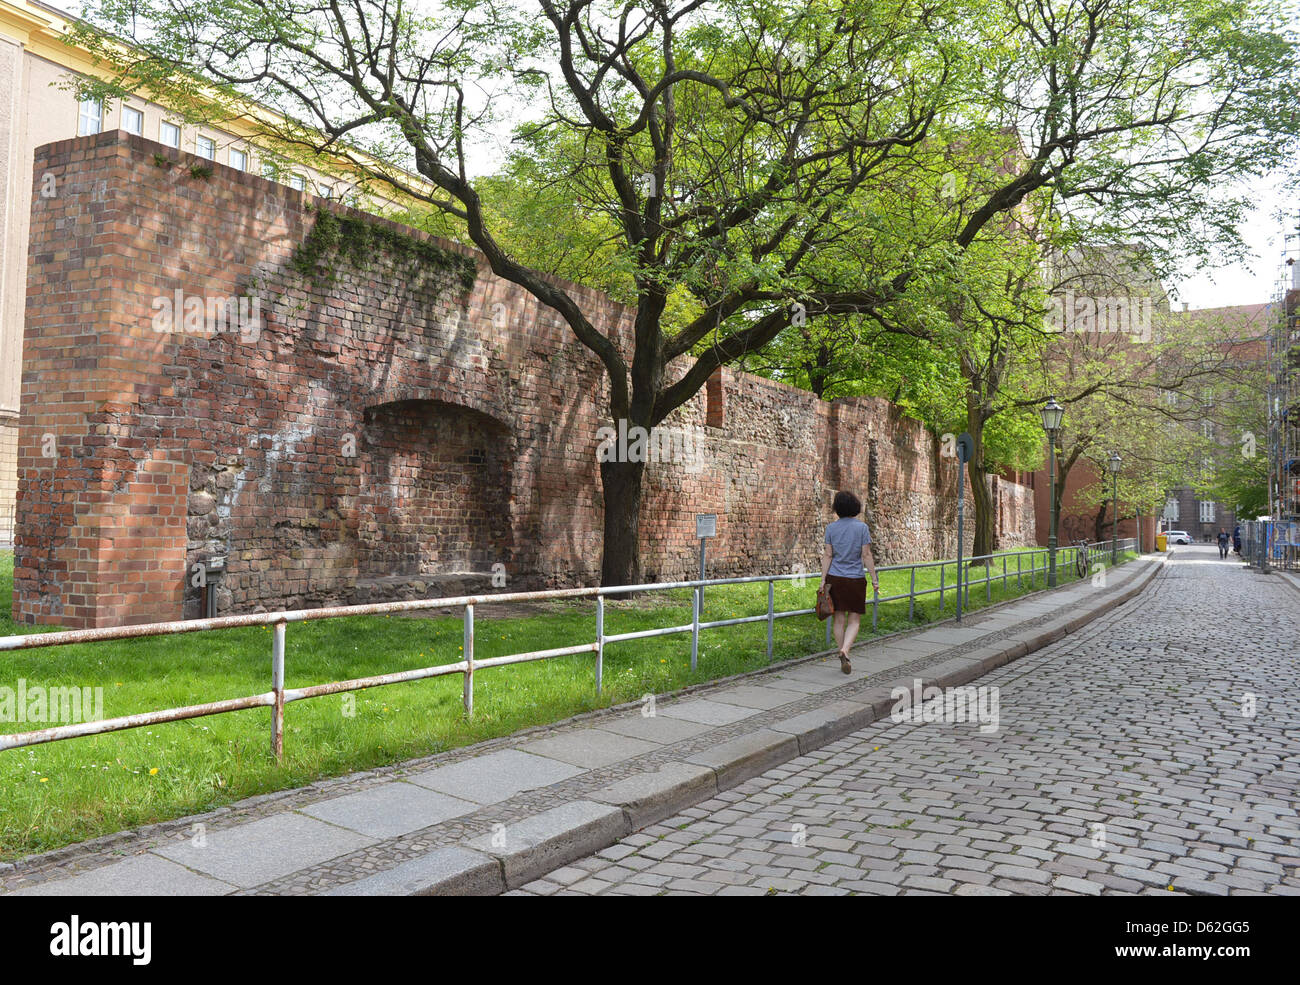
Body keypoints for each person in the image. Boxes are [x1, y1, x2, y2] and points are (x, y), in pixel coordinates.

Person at [819, 490, 879, 675]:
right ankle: (846, 650)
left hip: (835, 578)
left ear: (837, 508)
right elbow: (866, 555)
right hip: (855, 579)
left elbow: (828, 555)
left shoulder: (830, 528)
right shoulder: (861, 528)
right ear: (855, 506)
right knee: (854, 620)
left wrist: (822, 580)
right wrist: (874, 579)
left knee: (839, 619)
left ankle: (842, 652)